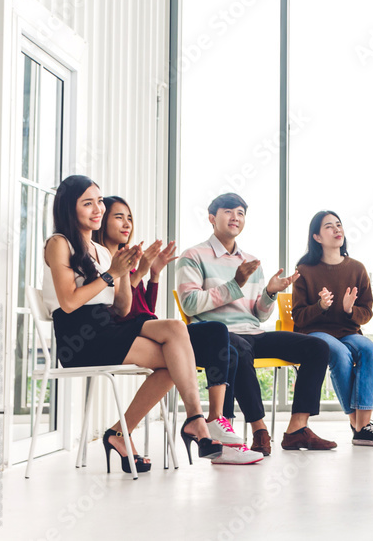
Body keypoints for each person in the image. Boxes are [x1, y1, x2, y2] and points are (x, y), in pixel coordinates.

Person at [42, 176, 221, 473]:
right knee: (173, 362)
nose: (97, 208)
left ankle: (187, 420)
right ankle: (182, 425)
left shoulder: (100, 250)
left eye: (99, 201)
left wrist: (125, 270)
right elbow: (69, 302)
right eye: (88, 203)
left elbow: (122, 307)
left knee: (175, 331)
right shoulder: (59, 243)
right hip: (79, 339)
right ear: (68, 209)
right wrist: (112, 273)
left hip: (107, 327)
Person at [96, 196, 260, 465]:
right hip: (126, 334)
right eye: (118, 217)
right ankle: (207, 421)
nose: (126, 223)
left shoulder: (124, 258)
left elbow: (144, 308)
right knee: (206, 336)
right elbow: (120, 310)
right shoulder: (103, 257)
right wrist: (136, 273)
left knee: (222, 339)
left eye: (129, 218)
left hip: (144, 328)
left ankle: (215, 420)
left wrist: (155, 274)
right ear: (102, 222)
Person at [177, 193, 335, 456]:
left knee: (317, 347)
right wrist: (234, 284)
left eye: (240, 213)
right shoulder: (193, 255)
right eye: (229, 212)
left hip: (253, 332)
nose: (235, 218)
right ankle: (258, 428)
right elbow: (190, 304)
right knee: (239, 347)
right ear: (212, 218)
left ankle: (297, 429)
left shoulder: (249, 261)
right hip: (219, 337)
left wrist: (270, 294)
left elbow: (259, 315)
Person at [293, 211, 373, 447]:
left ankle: (362, 426)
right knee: (340, 354)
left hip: (349, 331)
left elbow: (366, 313)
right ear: (316, 236)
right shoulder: (304, 269)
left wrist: (349, 311)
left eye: (339, 225)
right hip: (315, 333)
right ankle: (360, 426)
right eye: (329, 227)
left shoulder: (357, 268)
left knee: (369, 349)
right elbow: (299, 316)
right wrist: (320, 306)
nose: (337, 230)